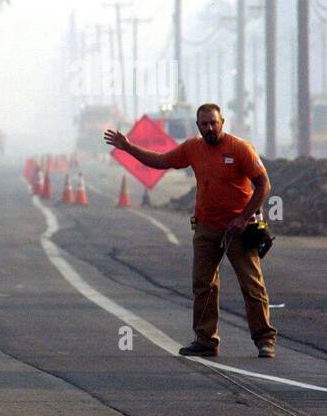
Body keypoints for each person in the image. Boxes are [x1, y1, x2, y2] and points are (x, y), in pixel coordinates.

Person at [104, 103, 276, 358]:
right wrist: (128, 147)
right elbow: (161, 161)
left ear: (222, 123)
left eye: (213, 123)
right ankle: (206, 340)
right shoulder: (192, 148)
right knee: (203, 285)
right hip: (207, 228)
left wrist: (244, 217)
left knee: (251, 285)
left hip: (238, 229)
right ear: (198, 126)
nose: (209, 128)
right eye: (204, 124)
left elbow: (263, 185)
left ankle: (264, 339)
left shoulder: (240, 148)